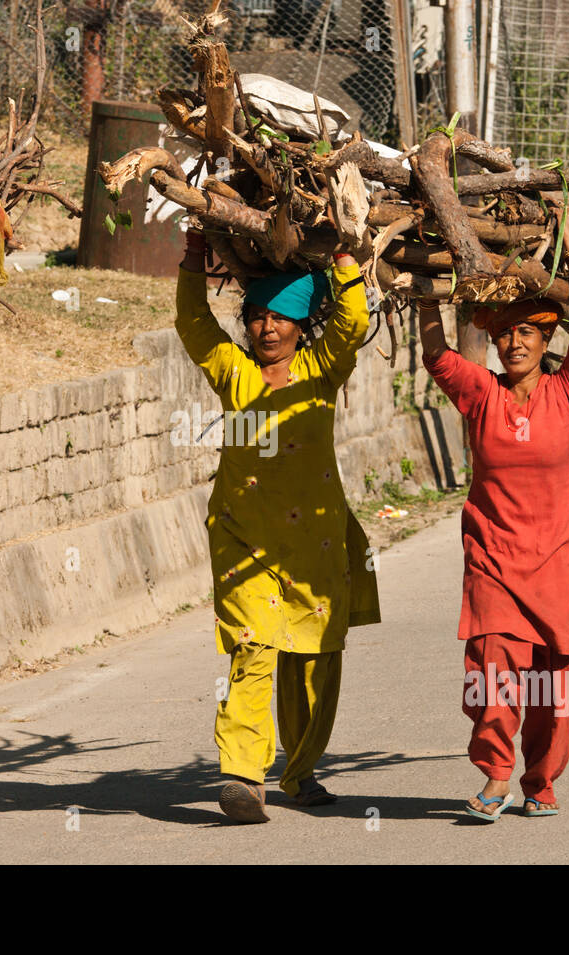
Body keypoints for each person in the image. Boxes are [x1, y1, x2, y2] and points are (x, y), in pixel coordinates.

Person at [176, 227, 380, 823]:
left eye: (281, 318)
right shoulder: (233, 372)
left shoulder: (321, 372)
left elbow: (349, 324)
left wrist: (344, 259)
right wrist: (192, 258)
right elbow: (195, 326)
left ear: (300, 323)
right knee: (254, 647)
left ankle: (300, 769)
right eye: (259, 317)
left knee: (313, 660)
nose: (267, 329)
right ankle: (243, 775)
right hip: (244, 542)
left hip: (315, 547)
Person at [417, 209, 569, 823]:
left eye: (530, 330)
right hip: (496, 561)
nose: (518, 341)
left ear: (545, 339)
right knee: (493, 672)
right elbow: (435, 355)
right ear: (496, 341)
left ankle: (542, 780)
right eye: (507, 333)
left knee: (553, 689)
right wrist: (424, 282)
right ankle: (495, 775)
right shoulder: (481, 393)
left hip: (561, 560)